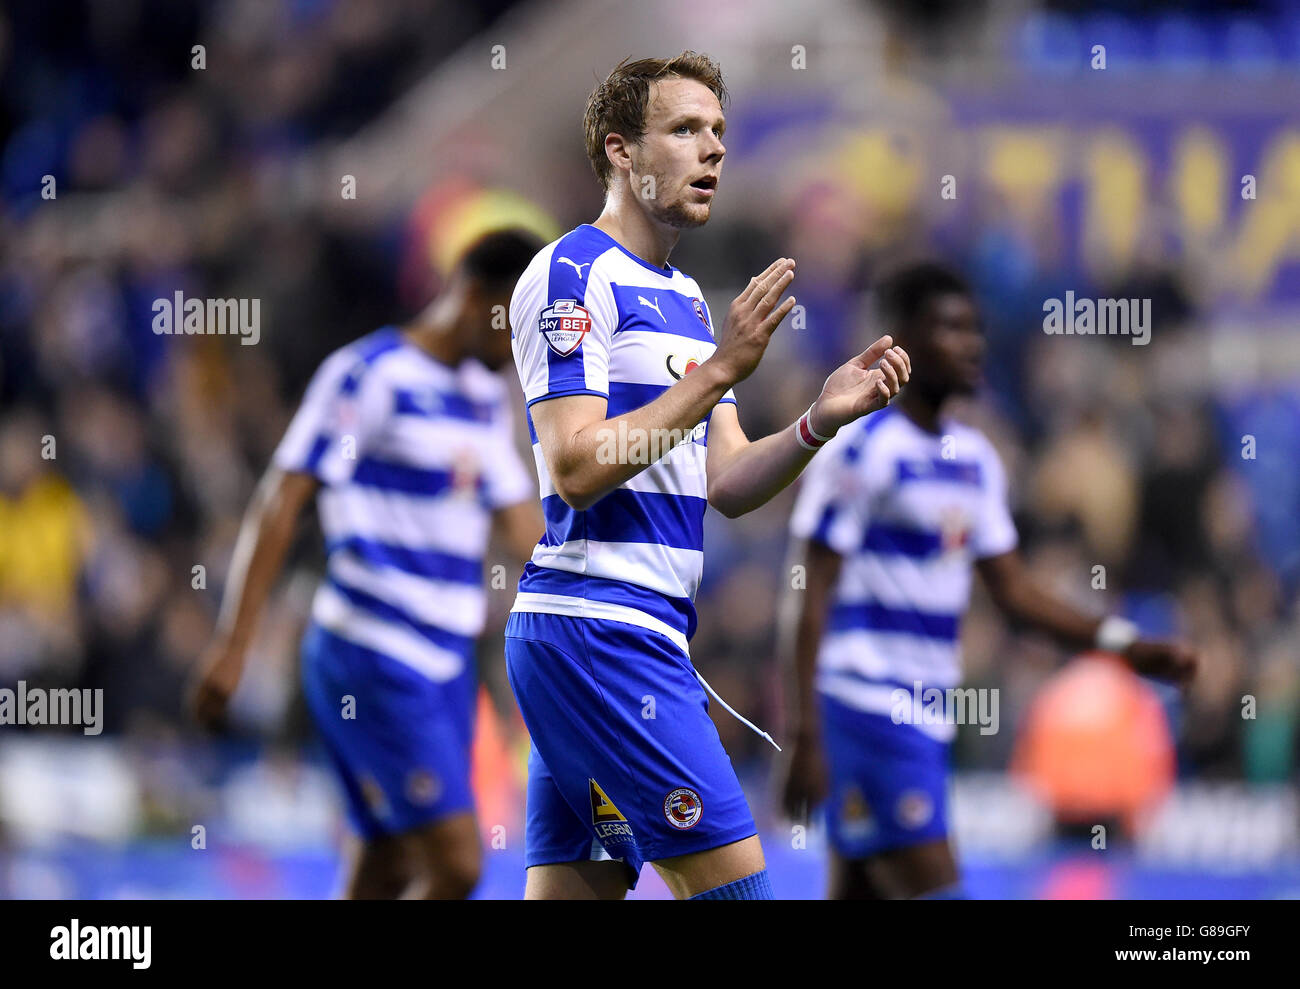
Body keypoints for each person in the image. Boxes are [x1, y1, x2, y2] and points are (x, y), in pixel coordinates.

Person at [504, 52, 911, 900]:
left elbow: (723, 481)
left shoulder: (687, 297)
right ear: (622, 152)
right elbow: (577, 467)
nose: (712, 150)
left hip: (625, 634)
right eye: (685, 130)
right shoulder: (570, 273)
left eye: (719, 132)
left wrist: (816, 422)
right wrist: (720, 370)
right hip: (601, 631)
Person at [777, 259, 1198, 899]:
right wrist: (804, 734)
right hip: (868, 711)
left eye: (975, 329)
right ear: (905, 344)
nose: (972, 345)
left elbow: (1017, 596)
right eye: (950, 329)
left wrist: (1123, 645)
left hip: (923, 713)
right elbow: (809, 591)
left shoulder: (974, 461)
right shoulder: (861, 451)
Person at [190, 229, 545, 898]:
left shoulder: (480, 396)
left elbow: (519, 522)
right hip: (372, 650)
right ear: (474, 299)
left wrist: (599, 588)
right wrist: (234, 643)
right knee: (458, 863)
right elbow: (282, 496)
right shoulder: (369, 375)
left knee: (386, 861)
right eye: (515, 322)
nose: (521, 343)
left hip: (445, 662)